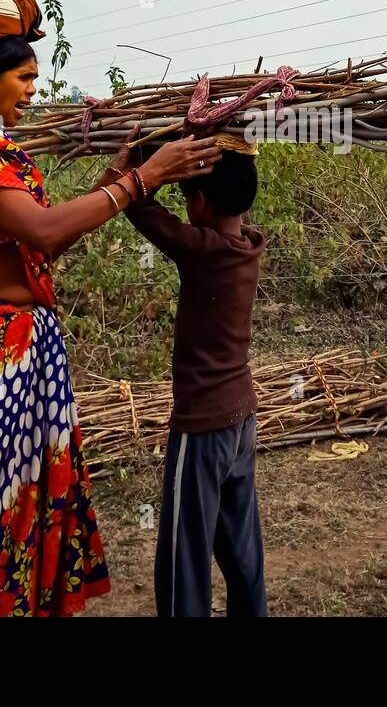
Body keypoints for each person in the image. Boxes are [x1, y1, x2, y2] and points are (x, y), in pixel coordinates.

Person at [0, 0, 221, 616]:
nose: (34, 90)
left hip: (16, 355)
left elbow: (34, 246)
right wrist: (144, 179)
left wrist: (116, 182)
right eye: (24, 76)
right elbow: (43, 231)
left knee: (21, 514)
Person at [102, 134, 268, 617]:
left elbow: (140, 210)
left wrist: (133, 167)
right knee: (240, 541)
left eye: (187, 197)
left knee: (184, 551)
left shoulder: (203, 250)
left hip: (203, 424)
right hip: (240, 417)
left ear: (197, 202)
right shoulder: (248, 244)